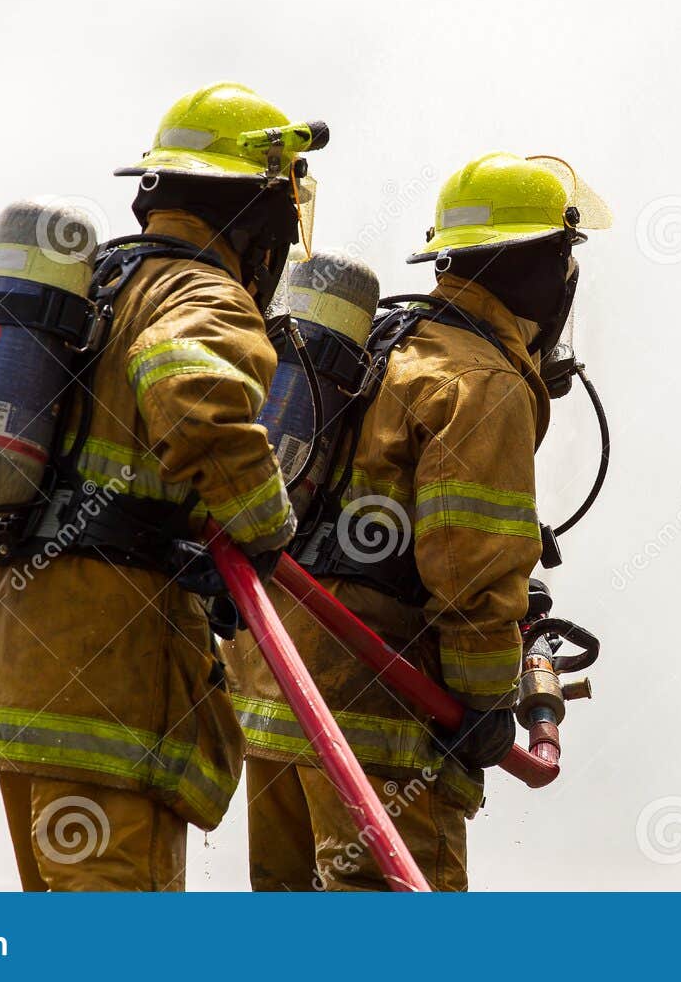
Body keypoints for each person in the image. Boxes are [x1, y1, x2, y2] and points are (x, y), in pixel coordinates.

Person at [0, 82, 318, 890]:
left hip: (19, 661)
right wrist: (265, 528)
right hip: (110, 676)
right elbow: (193, 395)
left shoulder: (100, 281)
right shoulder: (199, 292)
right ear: (258, 210)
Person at [228, 151, 604, 890]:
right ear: (540, 265)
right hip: (381, 719)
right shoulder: (483, 383)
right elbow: (470, 571)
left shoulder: (386, 343)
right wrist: (488, 702)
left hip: (278, 695)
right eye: (564, 257)